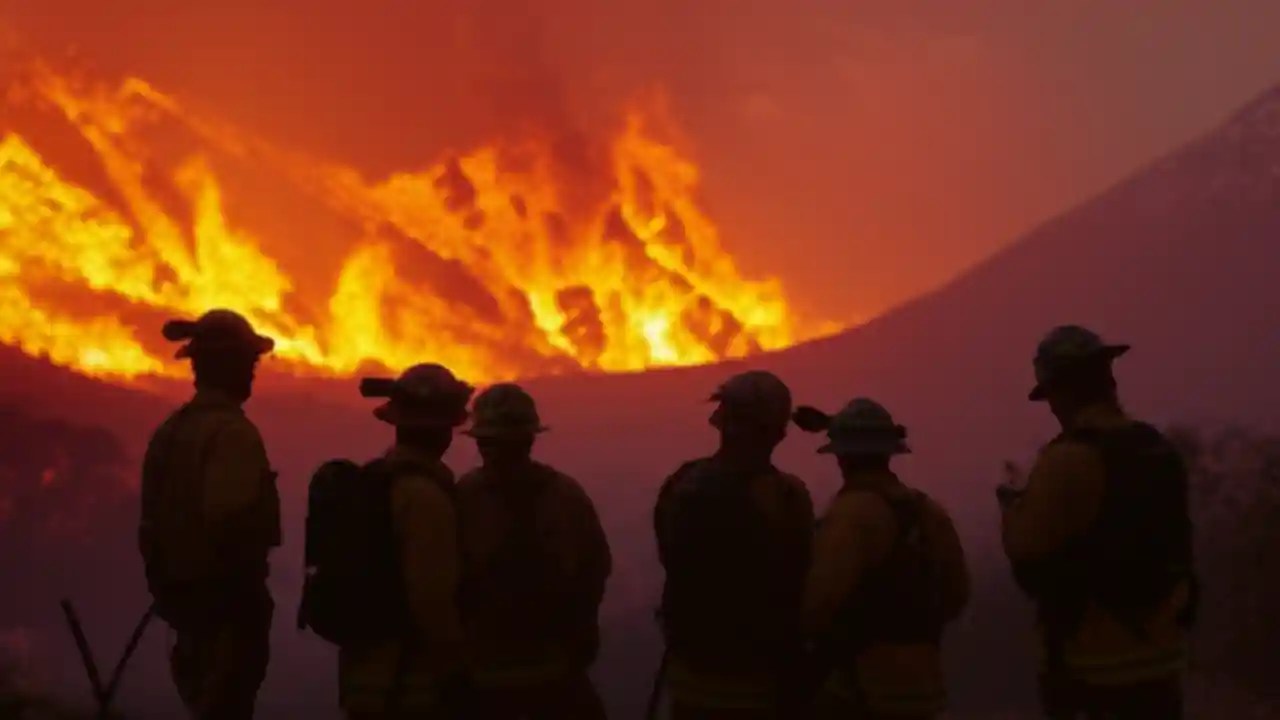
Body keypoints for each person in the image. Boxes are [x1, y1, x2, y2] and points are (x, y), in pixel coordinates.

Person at [1000, 325, 1196, 719]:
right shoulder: (1155, 448)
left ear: (1062, 392)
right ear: (1108, 378)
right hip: (1162, 656)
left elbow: (1027, 550)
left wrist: (1012, 512)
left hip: (1094, 665)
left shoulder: (1067, 460)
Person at [139, 309, 280, 719]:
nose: (253, 374)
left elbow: (151, 523)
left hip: (184, 605)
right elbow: (228, 519)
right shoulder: (232, 434)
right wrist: (241, 603)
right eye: (249, 364)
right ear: (233, 367)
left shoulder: (172, 431)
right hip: (224, 611)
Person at [653, 370, 815, 720]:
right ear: (776, 432)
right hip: (761, 683)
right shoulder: (787, 495)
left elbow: (669, 558)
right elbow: (802, 576)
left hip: (690, 676)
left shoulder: (681, 483)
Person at [795, 398, 969, 720]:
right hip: (923, 685)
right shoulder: (928, 511)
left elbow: (818, 604)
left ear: (842, 457)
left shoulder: (851, 515)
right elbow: (957, 594)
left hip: (861, 689)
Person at [455, 383, 611, 720]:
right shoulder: (566, 495)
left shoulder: (463, 497)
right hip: (551, 672)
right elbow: (594, 571)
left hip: (492, 675)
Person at [338, 364, 475, 719]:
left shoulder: (375, 484)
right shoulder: (424, 498)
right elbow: (432, 598)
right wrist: (456, 674)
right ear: (446, 430)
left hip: (364, 677)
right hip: (410, 687)